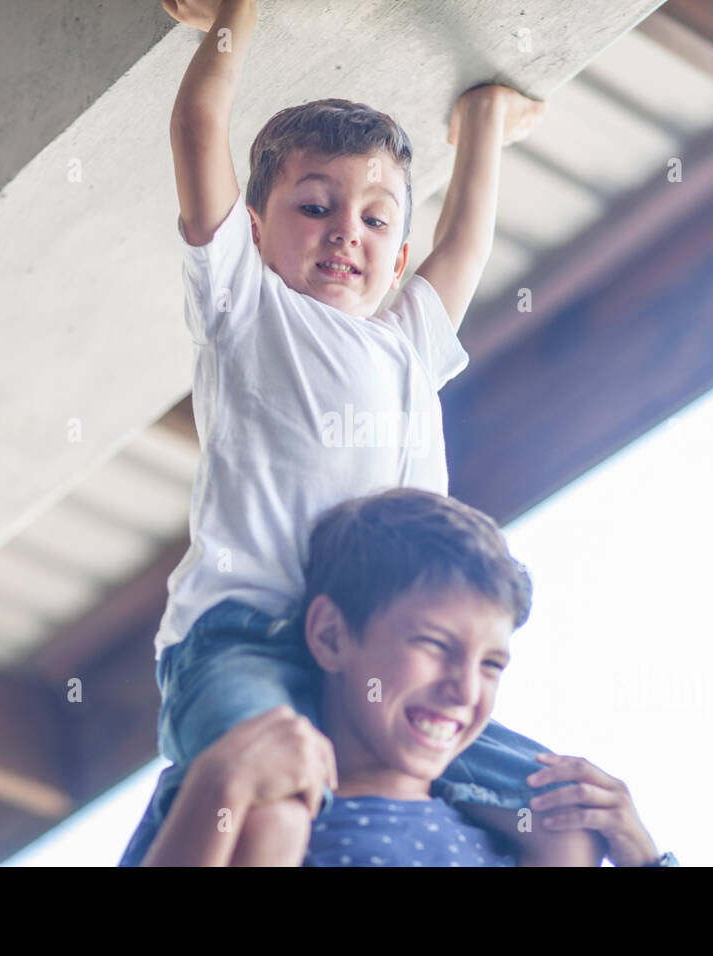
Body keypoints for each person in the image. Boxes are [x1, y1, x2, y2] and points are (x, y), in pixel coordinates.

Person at [119, 0, 565, 866]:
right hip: (245, 635)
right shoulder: (245, 306)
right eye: (315, 207)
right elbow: (199, 126)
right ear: (256, 230)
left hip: (376, 656)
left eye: (373, 220)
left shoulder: (406, 341)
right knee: (278, 798)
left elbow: (464, 242)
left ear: (398, 256)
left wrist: (482, 125)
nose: (343, 233)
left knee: (561, 803)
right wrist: (233, 16)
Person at [137, 488, 673, 866]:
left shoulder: (548, 841)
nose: (465, 690)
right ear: (329, 636)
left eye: (491, 664)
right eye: (434, 645)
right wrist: (222, 783)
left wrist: (644, 857)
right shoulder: (257, 816)